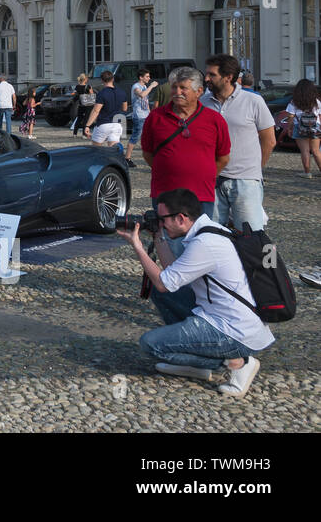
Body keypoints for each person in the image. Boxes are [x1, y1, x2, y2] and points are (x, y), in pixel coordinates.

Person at [119, 188, 273, 396]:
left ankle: (238, 362)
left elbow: (164, 282)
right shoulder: (209, 230)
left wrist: (136, 244)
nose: (161, 223)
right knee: (160, 292)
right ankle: (198, 365)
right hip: (229, 317)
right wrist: (158, 237)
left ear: (181, 218)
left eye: (163, 219)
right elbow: (173, 275)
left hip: (232, 330)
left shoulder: (204, 243)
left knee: (150, 344)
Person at [198, 55, 275, 230]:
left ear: (228, 77)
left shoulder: (253, 101)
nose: (206, 78)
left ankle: (256, 259)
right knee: (211, 235)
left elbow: (269, 141)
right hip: (212, 180)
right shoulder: (202, 103)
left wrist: (255, 169)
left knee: (251, 237)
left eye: (212, 74)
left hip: (245, 181)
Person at [142, 66, 230, 219]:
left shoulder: (214, 120)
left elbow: (223, 157)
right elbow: (148, 153)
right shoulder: (156, 117)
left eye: (183, 88)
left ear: (199, 91)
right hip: (165, 193)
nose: (177, 92)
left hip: (201, 196)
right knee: (168, 241)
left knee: (200, 239)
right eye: (174, 87)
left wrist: (205, 174)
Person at [284, 78, 321, 177]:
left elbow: (290, 117)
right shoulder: (316, 102)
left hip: (299, 127)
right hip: (315, 126)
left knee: (305, 151)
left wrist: (289, 128)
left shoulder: (294, 102)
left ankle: (307, 172)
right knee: (316, 151)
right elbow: (320, 116)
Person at [85, 70, 128, 152]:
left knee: (96, 150)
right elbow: (125, 108)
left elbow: (96, 111)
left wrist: (87, 125)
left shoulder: (101, 93)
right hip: (117, 124)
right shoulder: (122, 92)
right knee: (113, 151)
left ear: (102, 80)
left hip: (103, 123)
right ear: (113, 79)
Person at [125, 70, 158, 167]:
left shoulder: (144, 86)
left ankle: (153, 156)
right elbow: (142, 95)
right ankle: (127, 158)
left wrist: (149, 113)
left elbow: (146, 101)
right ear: (141, 77)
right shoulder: (136, 87)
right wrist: (152, 86)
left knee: (151, 136)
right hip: (139, 116)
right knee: (135, 136)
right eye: (147, 76)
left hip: (146, 115)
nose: (149, 78)